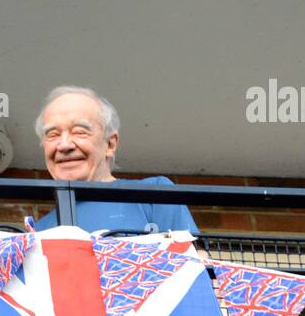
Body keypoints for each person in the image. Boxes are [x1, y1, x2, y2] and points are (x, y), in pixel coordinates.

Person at [31, 86, 200, 237]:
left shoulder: (154, 195)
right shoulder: (37, 232)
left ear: (110, 144)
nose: (64, 145)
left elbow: (194, 265)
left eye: (79, 132)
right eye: (52, 135)